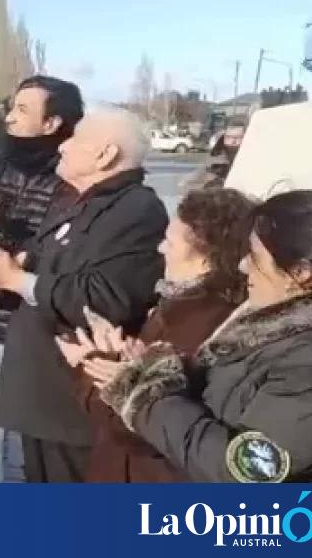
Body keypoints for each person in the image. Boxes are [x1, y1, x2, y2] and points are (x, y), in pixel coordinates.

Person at [89, 190, 312, 482]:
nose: (242, 266)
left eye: (254, 257)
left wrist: (148, 396)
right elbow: (234, 394)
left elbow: (251, 469)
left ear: (302, 273)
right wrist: (163, 372)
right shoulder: (292, 327)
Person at [0, 108, 167, 482]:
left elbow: (107, 297)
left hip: (72, 402)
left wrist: (16, 280)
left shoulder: (136, 210)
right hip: (44, 395)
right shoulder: (78, 198)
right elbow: (56, 257)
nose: (63, 146)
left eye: (76, 139)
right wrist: (13, 261)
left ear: (106, 155)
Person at [57, 188, 256, 482]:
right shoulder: (188, 304)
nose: (161, 249)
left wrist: (91, 363)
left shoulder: (199, 322)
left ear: (206, 259)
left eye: (170, 242)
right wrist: (121, 355)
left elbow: (136, 423)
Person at [0, 75, 83, 482]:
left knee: (39, 440)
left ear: (52, 123)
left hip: (44, 329)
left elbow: (77, 250)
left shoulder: (75, 175)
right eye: (12, 107)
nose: (9, 117)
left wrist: (23, 262)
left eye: (23, 110)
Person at [181, 122, 245, 191]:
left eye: (238, 137)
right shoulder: (215, 160)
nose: (233, 141)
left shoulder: (249, 158)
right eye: (228, 137)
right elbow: (188, 183)